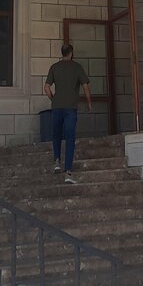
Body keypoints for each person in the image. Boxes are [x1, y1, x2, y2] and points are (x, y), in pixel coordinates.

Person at [43, 43, 91, 184]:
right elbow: (86, 86)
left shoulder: (54, 67)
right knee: (70, 138)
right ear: (71, 53)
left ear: (62, 53)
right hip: (71, 108)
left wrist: (53, 99)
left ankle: (57, 161)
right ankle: (68, 171)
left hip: (57, 106)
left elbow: (46, 88)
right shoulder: (77, 67)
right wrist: (89, 102)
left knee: (56, 135)